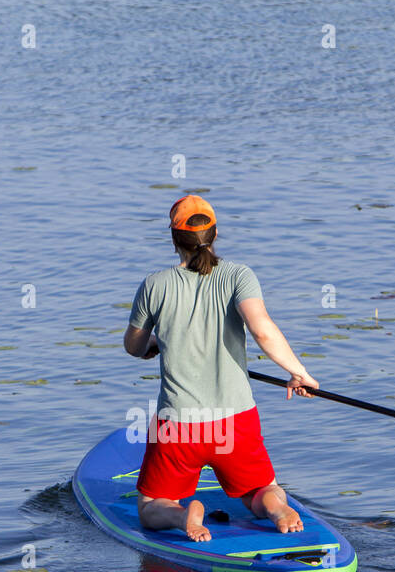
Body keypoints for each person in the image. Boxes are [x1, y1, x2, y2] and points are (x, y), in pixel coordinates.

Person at [123, 195, 318, 542]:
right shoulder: (239, 275)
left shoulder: (154, 285)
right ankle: (277, 509)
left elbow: (134, 346)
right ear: (216, 234)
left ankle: (182, 514)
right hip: (235, 419)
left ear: (173, 239)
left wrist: (154, 345)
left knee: (151, 505)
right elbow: (262, 330)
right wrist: (298, 372)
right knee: (262, 488)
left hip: (180, 427)